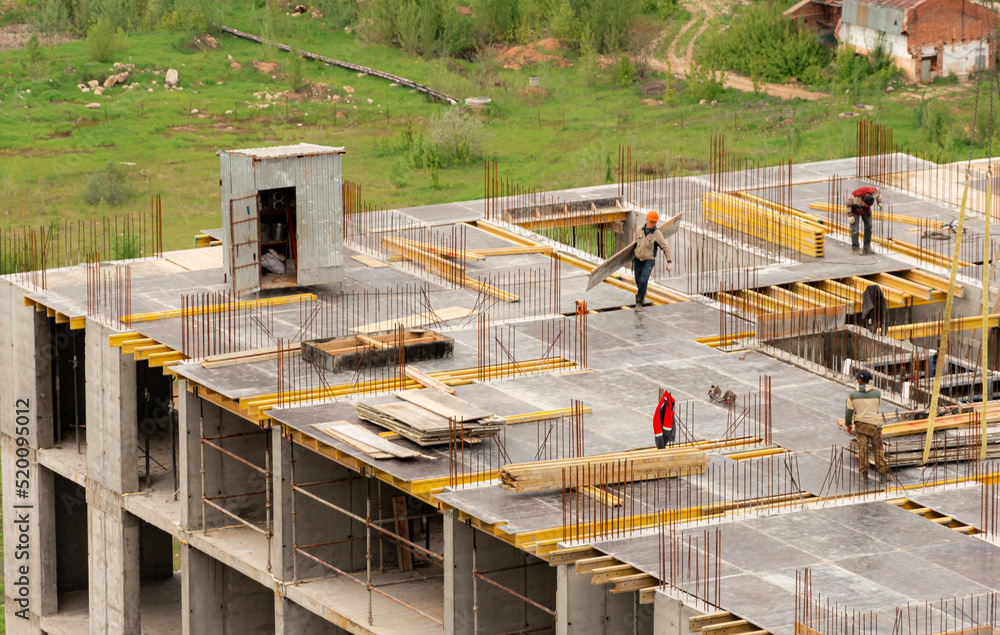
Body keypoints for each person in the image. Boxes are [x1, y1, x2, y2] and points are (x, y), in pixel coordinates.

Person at [841, 368, 889, 475]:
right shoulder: (877, 393)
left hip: (860, 426)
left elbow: (848, 413)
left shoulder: (853, 394)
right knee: (878, 450)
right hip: (875, 426)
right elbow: (876, 407)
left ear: (860, 381)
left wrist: (848, 425)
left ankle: (864, 475)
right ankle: (883, 474)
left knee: (863, 450)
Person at [632, 211, 673, 311]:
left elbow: (666, 248)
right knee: (638, 281)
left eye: (654, 222)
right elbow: (633, 244)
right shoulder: (639, 230)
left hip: (649, 260)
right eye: (651, 222)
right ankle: (642, 292)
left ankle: (639, 302)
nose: (652, 224)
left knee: (643, 280)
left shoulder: (657, 234)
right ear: (646, 220)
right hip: (638, 259)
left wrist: (669, 262)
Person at [846, 186, 883, 255]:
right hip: (855, 211)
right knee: (854, 230)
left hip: (866, 211)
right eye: (865, 204)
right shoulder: (855, 196)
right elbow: (848, 204)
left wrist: (879, 201)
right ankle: (855, 248)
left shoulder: (874, 192)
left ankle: (867, 246)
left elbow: (879, 193)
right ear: (863, 201)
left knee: (869, 227)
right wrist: (850, 215)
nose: (865, 205)